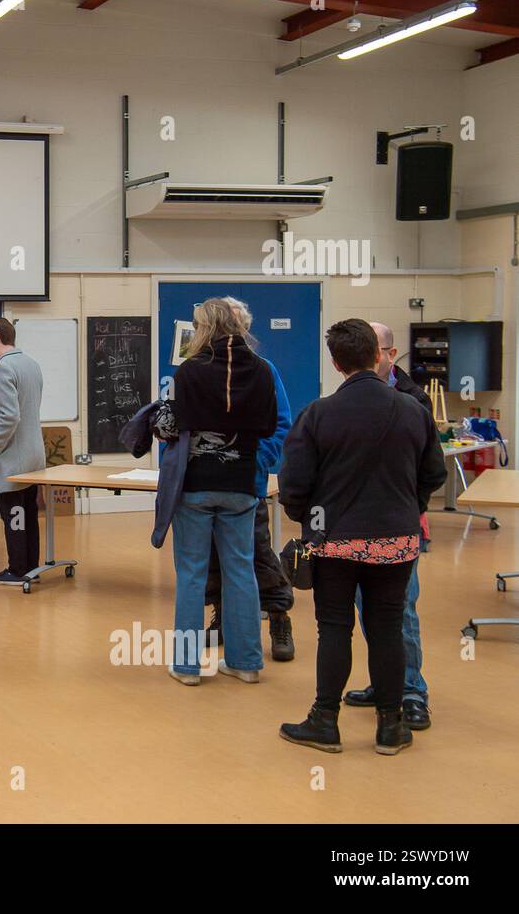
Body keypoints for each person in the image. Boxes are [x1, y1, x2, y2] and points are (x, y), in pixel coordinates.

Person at [278, 319, 445, 755]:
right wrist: (408, 511)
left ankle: (324, 721)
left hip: (335, 541)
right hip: (397, 541)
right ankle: (391, 726)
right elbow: (433, 474)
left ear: (336, 363)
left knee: (334, 628)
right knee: (387, 627)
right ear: (378, 355)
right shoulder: (414, 411)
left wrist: (310, 522)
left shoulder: (317, 414)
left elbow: (293, 484)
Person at [165, 299, 276, 685]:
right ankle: (246, 662)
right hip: (242, 485)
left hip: (195, 485)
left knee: (193, 574)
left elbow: (173, 425)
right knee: (241, 570)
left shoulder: (190, 371)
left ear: (205, 329)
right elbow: (267, 428)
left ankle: (187, 666)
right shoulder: (262, 371)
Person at [343, 321, 436, 729]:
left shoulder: (413, 400)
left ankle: (412, 691)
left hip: (399, 524)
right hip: (358, 525)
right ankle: (385, 684)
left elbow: (429, 470)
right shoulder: (348, 397)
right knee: (368, 608)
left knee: (401, 610)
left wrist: (409, 507)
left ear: (390, 354)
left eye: (373, 348)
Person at [203, 297, 296, 662]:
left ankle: (278, 617)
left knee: (257, 555)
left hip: (247, 485)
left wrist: (256, 463)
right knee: (213, 556)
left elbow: (281, 424)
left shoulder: (263, 370)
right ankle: (224, 618)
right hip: (209, 482)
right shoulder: (203, 368)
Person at [0, 317, 47, 586]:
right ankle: (30, 566)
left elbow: (9, 417)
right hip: (32, 455)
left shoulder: (4, 368)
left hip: (12, 458)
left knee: (15, 515)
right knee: (29, 513)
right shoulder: (31, 364)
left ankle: (17, 569)